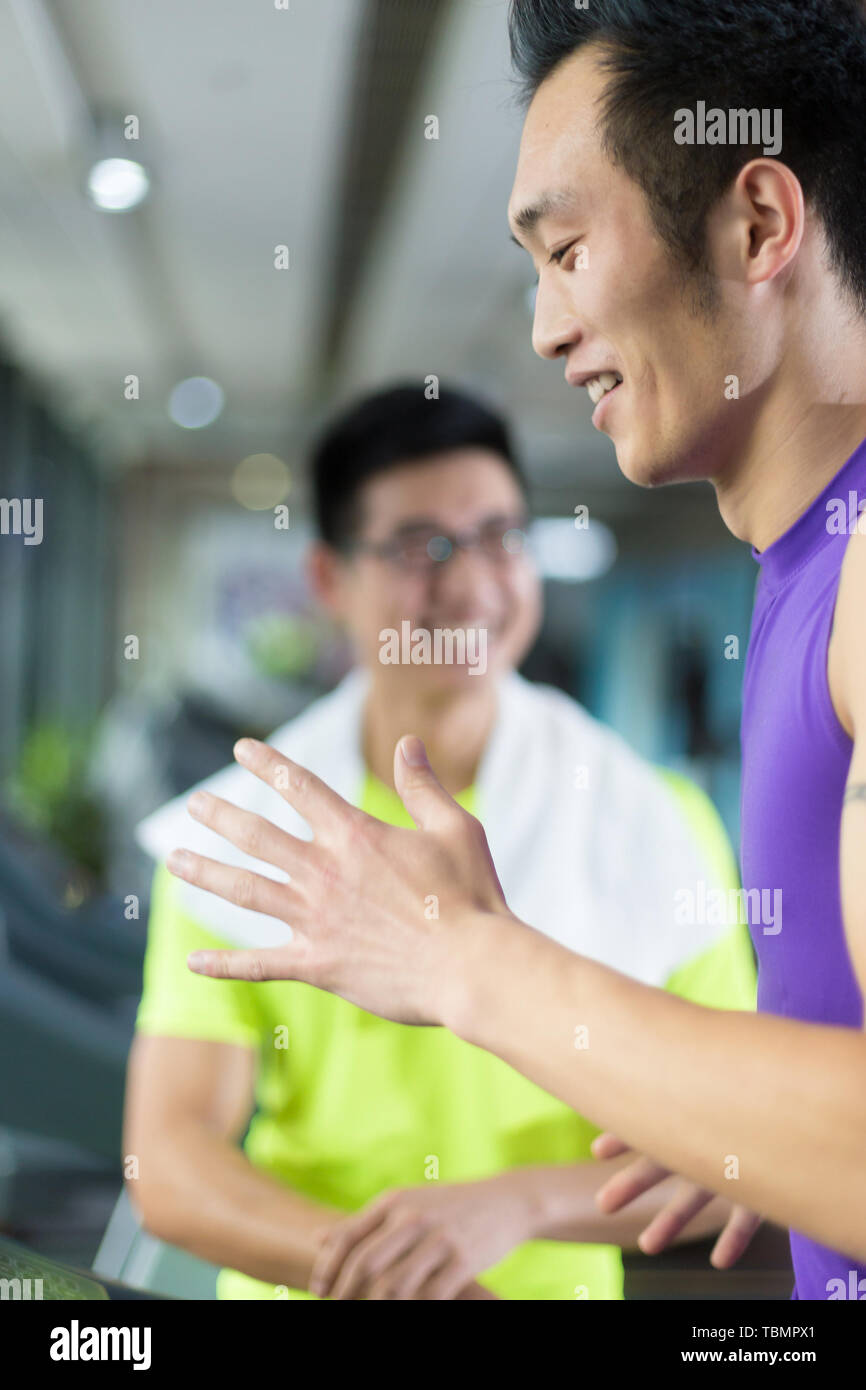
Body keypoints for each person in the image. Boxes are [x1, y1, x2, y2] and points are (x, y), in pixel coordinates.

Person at [163, 1, 866, 1302]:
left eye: (568, 248)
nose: (544, 328)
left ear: (757, 224)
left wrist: (461, 960)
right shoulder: (800, 580)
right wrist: (739, 1140)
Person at [128, 384, 755, 1301]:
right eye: (423, 547)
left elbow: (740, 1147)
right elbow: (172, 1161)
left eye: (503, 537)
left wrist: (518, 1206)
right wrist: (406, 1277)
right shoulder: (243, 828)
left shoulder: (651, 819)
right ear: (330, 582)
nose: (470, 583)